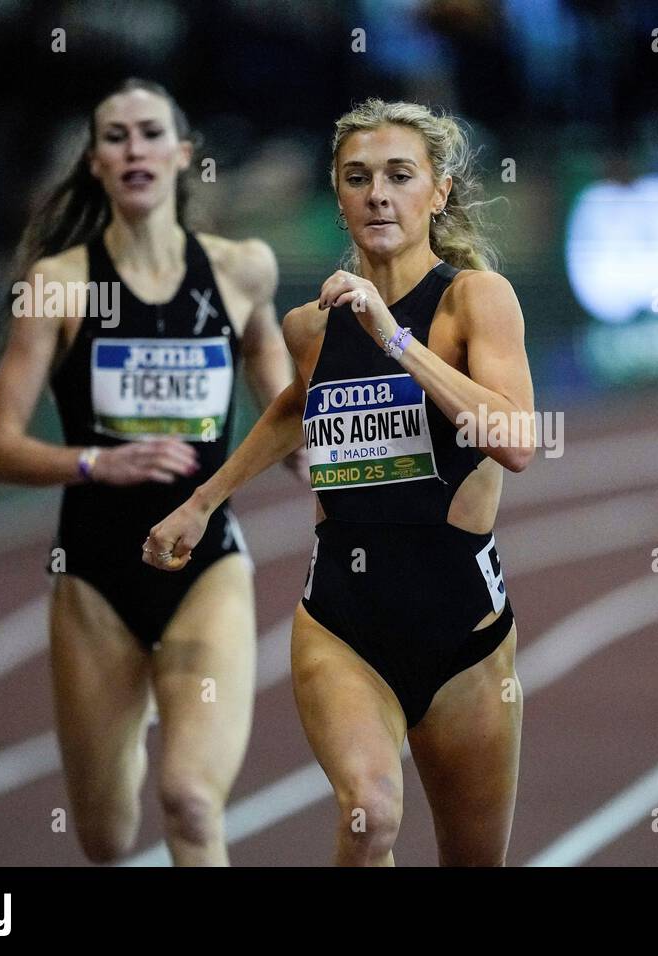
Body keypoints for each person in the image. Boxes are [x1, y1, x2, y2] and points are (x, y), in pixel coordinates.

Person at [144, 98, 535, 866]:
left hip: (466, 634)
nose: (378, 194)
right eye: (358, 178)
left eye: (399, 175)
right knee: (371, 815)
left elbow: (516, 440)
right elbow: (297, 405)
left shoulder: (475, 300)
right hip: (341, 623)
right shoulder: (309, 327)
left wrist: (394, 338)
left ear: (439, 192)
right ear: (339, 196)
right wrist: (201, 501)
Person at [0, 78, 292, 865]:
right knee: (107, 837)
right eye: (115, 137)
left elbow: (288, 416)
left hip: (204, 567)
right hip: (93, 578)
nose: (134, 149)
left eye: (151, 133)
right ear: (95, 162)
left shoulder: (241, 271)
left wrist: (349, 485)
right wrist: (97, 461)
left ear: (183, 155)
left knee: (189, 802)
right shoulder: (59, 284)